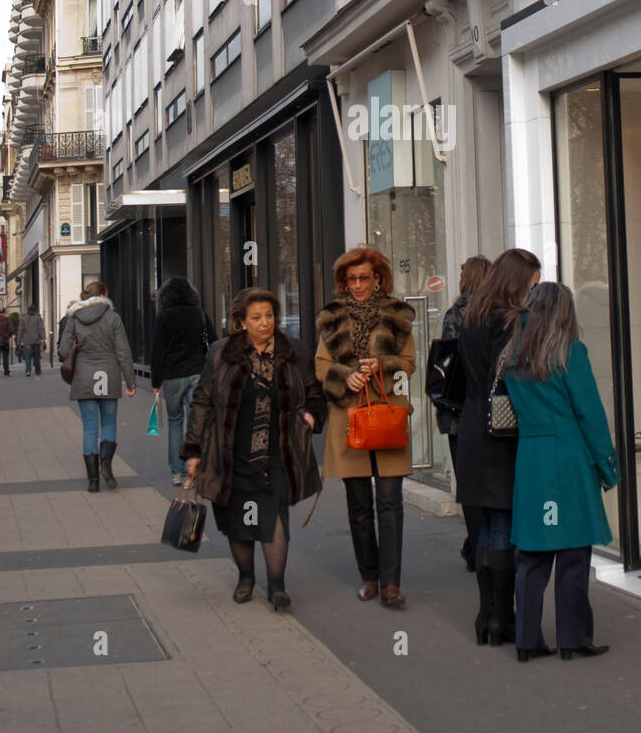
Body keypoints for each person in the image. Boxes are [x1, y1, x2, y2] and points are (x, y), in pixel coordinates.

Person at [182, 288, 326, 609]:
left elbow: (315, 391)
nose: (265, 323)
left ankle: (277, 588)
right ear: (241, 322)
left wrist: (312, 414)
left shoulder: (293, 351)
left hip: (278, 453)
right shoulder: (221, 354)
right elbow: (202, 402)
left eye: (270, 316)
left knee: (274, 518)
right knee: (240, 524)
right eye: (257, 317)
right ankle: (246, 577)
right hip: (230, 454)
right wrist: (193, 450)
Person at [503, 282, 620, 662]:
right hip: (567, 457)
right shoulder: (570, 352)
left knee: (532, 554)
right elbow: (591, 414)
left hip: (532, 457)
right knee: (572, 554)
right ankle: (573, 639)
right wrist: (608, 465)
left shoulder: (513, 356)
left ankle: (527, 640)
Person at [315, 248, 415, 608]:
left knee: (390, 500)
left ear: (378, 279)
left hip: (386, 414)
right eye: (351, 279)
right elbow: (321, 367)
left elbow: (408, 365)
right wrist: (347, 376)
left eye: (364, 278)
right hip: (348, 417)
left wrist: (382, 366)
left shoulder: (396, 315)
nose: (357, 285)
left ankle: (391, 583)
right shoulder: (331, 318)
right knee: (358, 504)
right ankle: (369, 577)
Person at [456, 248, 541, 646]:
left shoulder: (471, 315)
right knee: (504, 525)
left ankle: (486, 614)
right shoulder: (512, 319)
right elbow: (513, 376)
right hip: (503, 426)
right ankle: (503, 617)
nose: (532, 292)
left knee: (486, 524)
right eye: (531, 284)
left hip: (473, 423)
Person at [430, 256, 491, 571]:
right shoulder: (499, 314)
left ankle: (478, 545)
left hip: (459, 413)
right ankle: (484, 545)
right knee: (492, 483)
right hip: (492, 413)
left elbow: (448, 365)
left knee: (470, 484)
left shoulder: (456, 314)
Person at [57, 281, 136, 492]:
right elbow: (123, 351)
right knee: (109, 422)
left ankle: (93, 481)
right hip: (108, 375)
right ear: (105, 294)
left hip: (83, 377)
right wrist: (131, 381)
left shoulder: (74, 319)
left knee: (90, 428)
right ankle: (106, 466)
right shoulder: (113, 317)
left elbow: (64, 350)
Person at [150, 276, 216, 485]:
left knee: (175, 422)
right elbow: (213, 341)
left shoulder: (164, 317)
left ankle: (177, 472)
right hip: (197, 372)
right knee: (195, 422)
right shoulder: (199, 313)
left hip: (172, 375)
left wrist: (155, 382)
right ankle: (193, 470)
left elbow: (157, 351)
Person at [16, 303, 47, 377]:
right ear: (35, 310)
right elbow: (41, 329)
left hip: (27, 340)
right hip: (36, 340)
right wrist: (43, 338)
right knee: (37, 357)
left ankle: (28, 371)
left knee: (28, 357)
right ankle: (38, 371)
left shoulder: (23, 318)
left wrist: (18, 340)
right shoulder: (38, 318)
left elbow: (20, 330)